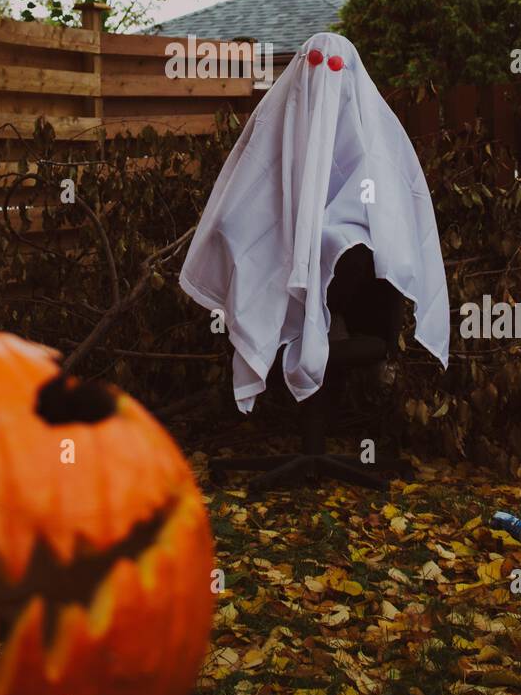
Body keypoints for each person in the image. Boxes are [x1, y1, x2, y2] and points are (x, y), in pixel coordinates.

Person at [180, 32, 450, 413]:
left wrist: (325, 246)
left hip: (357, 303)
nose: (324, 80)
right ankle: (304, 327)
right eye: (316, 66)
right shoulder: (274, 135)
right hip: (283, 290)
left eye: (335, 68)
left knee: (347, 252)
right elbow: (236, 210)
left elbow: (398, 227)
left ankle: (324, 324)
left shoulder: (377, 147)